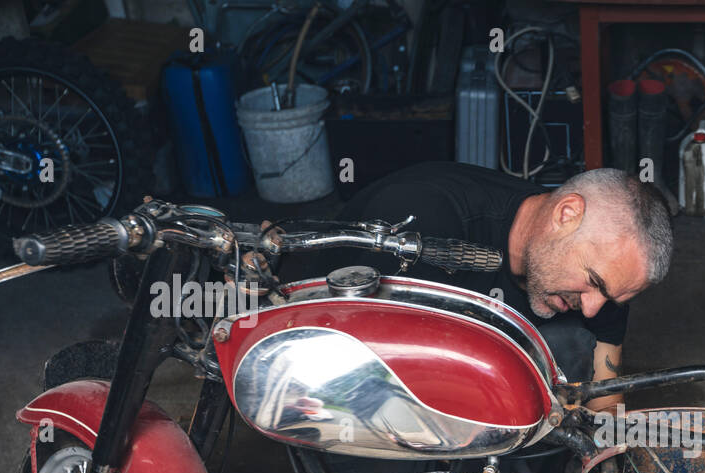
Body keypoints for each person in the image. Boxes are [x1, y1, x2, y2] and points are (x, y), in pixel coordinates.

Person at [286, 161, 674, 412]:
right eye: (593, 284)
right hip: (350, 390)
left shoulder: (605, 272)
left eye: (610, 297)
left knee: (572, 347)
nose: (593, 308)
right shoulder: (427, 223)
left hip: (465, 393)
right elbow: (368, 388)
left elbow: (604, 400)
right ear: (566, 214)